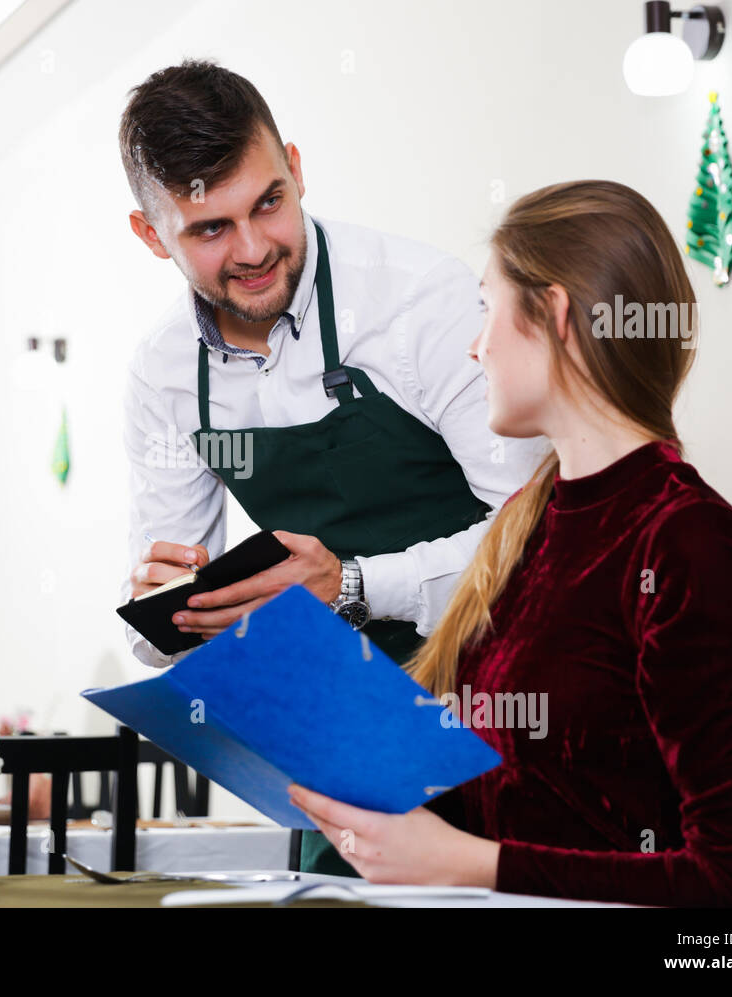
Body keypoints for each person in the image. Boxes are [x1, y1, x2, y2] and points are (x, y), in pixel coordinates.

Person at [289, 180, 732, 907]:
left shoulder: (688, 540)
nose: (474, 344)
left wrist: (473, 865)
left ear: (554, 314)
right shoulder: (531, 520)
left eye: (487, 309)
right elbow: (503, 797)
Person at [117, 60, 546, 874]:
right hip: (346, 745)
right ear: (151, 234)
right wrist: (168, 612)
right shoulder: (163, 373)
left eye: (268, 202)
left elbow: (537, 541)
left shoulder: (421, 301)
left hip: (505, 705)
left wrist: (350, 582)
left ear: (296, 167)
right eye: (210, 229)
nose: (252, 250)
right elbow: (178, 593)